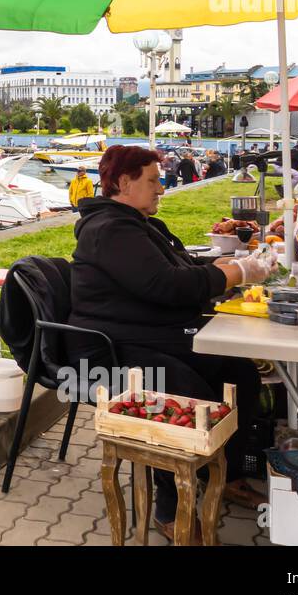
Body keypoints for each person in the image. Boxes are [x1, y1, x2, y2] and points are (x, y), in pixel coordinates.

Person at [67, 145, 268, 541]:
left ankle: (222, 473)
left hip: (153, 334)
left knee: (241, 373)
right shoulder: (110, 230)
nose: (161, 188)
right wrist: (236, 274)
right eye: (153, 181)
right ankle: (168, 507)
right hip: (112, 348)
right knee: (186, 394)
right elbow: (166, 286)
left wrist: (234, 266)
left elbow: (183, 266)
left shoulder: (140, 224)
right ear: (124, 183)